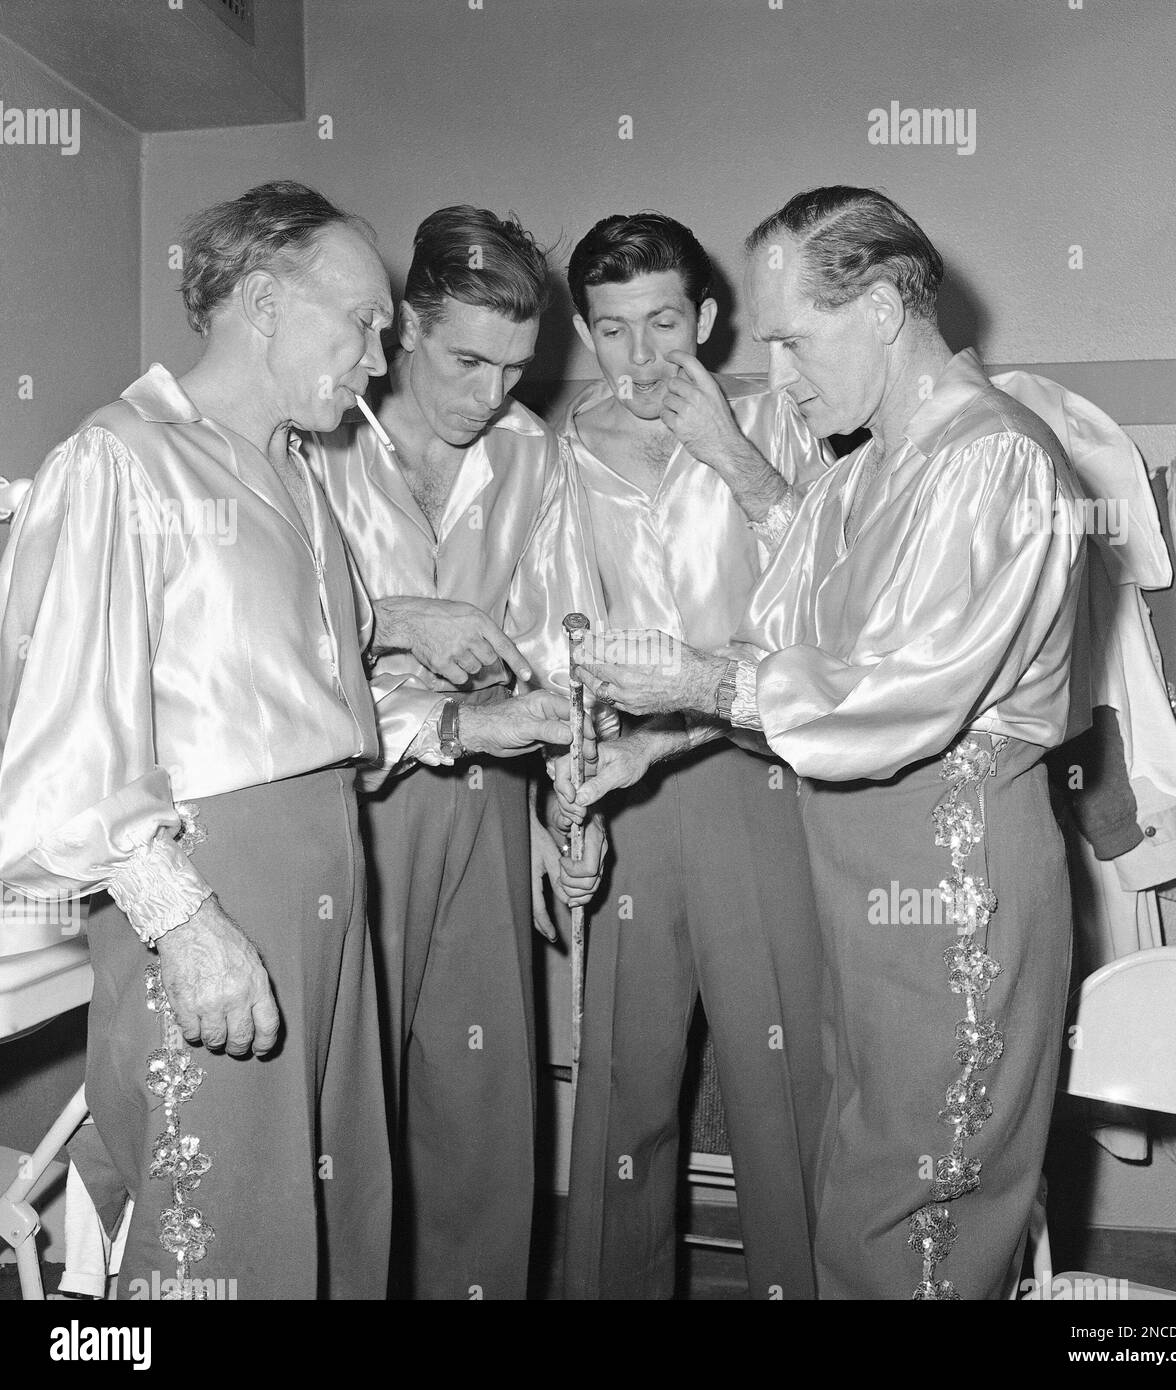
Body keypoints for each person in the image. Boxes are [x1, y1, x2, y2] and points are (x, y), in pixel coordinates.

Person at [0, 181, 574, 1300]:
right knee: (220, 1235)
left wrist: (472, 720)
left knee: (335, 1216)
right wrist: (183, 919)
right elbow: (63, 733)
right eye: (360, 322)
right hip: (216, 891)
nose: (376, 355)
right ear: (262, 301)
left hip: (328, 881)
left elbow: (318, 695)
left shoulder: (294, 476)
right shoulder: (122, 458)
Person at [575, 187, 1087, 1300]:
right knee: (863, 1175)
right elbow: (808, 597)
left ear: (886, 306)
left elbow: (893, 691)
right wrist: (658, 740)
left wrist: (698, 682)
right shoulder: (872, 466)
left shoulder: (989, 458)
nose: (784, 375)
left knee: (917, 1206)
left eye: (793, 340)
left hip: (950, 871)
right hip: (859, 873)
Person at [304, 206, 605, 1301]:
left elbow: (541, 649)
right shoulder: (317, 431)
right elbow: (268, 637)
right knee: (348, 1107)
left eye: (516, 367)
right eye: (467, 359)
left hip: (482, 795)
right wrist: (393, 614)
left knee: (481, 1113)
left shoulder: (531, 453)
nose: (490, 395)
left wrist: (536, 809)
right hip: (346, 797)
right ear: (403, 329)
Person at [550, 211, 832, 1300]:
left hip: (756, 761)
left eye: (663, 322)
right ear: (585, 331)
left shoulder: (782, 418)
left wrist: (729, 450)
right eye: (613, 331)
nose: (642, 356)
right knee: (622, 1078)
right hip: (625, 778)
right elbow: (551, 637)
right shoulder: (559, 449)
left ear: (707, 320)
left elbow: (836, 592)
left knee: (781, 1076)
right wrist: (560, 793)